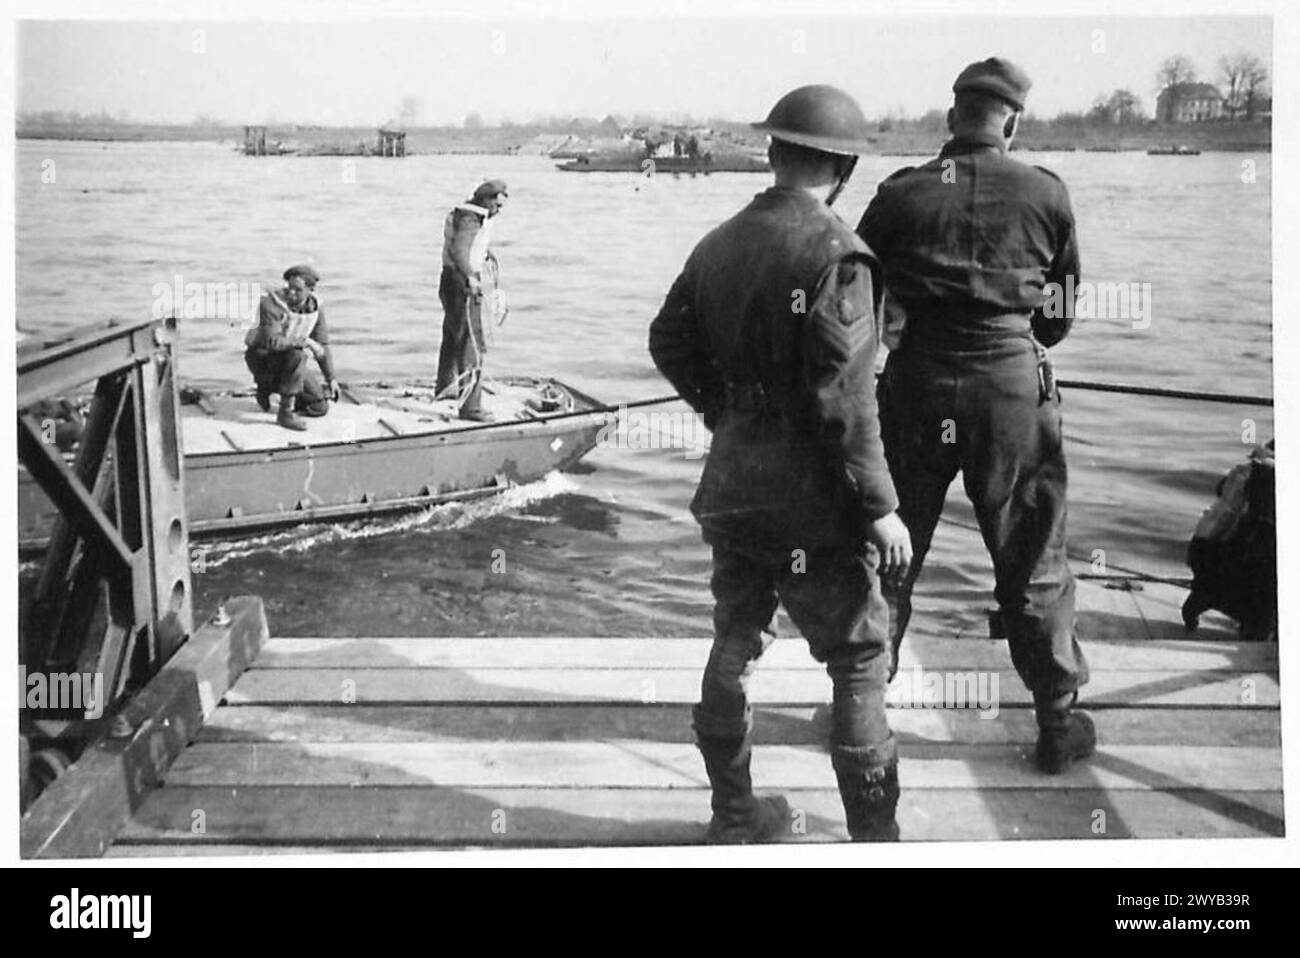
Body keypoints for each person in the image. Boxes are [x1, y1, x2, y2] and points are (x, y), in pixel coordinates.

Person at [649, 85, 913, 843]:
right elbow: (845, 397)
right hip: (815, 501)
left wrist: (727, 413)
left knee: (735, 636)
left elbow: (667, 341)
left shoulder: (719, 241)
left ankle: (733, 814)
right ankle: (875, 841)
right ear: (846, 165)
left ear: (771, 152)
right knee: (861, 655)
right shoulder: (842, 255)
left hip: (735, 484)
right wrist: (883, 506)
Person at [856, 57, 1094, 774]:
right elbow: (1057, 311)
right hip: (1011, 393)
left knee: (891, 548)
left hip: (916, 385)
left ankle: (863, 704)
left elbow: (860, 293)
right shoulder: (1046, 192)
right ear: (1012, 122)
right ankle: (1056, 722)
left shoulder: (900, 193)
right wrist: (1015, 347)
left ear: (950, 117)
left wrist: (910, 335)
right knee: (1031, 556)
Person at [436, 179, 507, 422]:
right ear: (486, 200)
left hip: (449, 280)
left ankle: (445, 387)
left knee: (452, 334)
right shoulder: (471, 219)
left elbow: (462, 247)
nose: (499, 210)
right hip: (461, 282)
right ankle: (471, 408)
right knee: (471, 343)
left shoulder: (465, 214)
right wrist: (470, 276)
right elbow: (459, 251)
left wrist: (485, 253)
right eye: (497, 205)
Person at [244, 264, 339, 431]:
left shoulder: (315, 308)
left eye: (298, 290)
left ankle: (276, 392)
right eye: (289, 288)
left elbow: (322, 344)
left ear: (310, 290)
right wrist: (306, 342)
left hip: (289, 362)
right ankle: (284, 412)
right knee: (297, 355)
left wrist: (331, 378)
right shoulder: (270, 303)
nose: (291, 293)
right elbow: (272, 342)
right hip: (262, 358)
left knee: (318, 407)